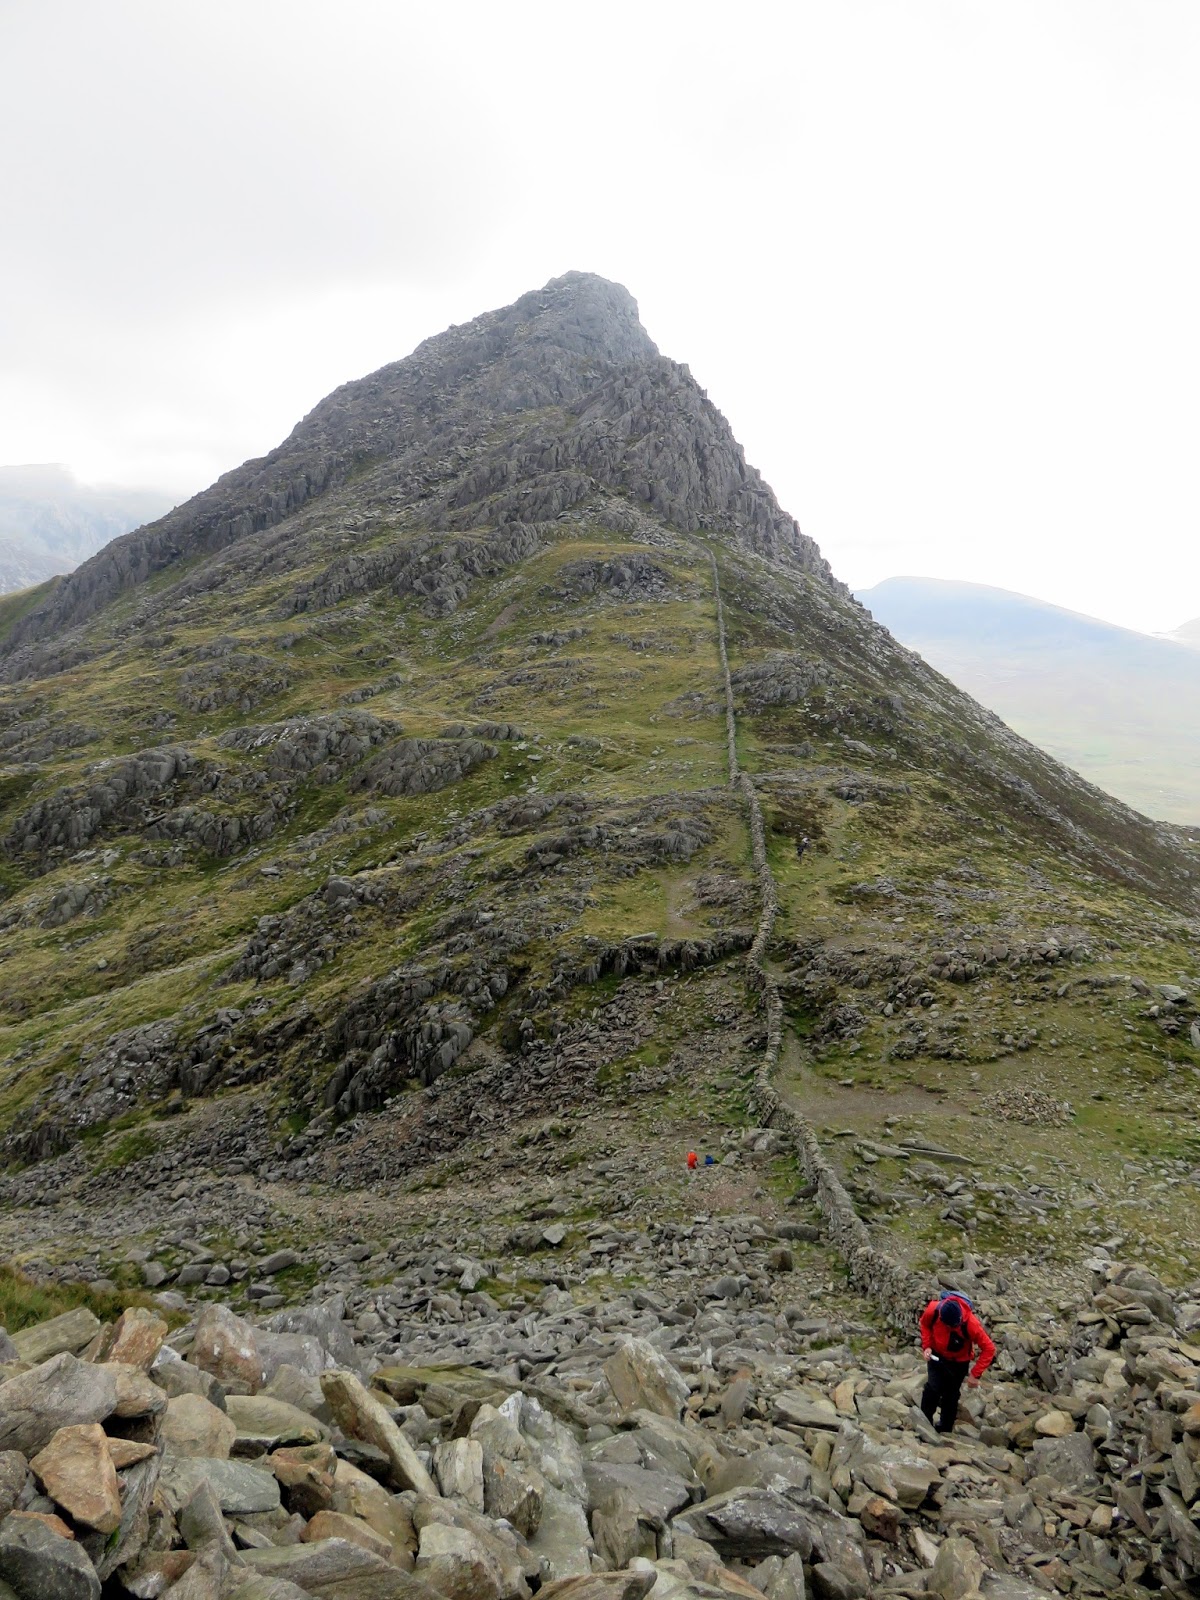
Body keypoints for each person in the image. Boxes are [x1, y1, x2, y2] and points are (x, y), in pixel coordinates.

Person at [919, 1290, 995, 1434]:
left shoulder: (971, 1324)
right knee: (932, 1389)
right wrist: (927, 1346)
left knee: (951, 1395)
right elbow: (924, 1325)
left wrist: (975, 1374)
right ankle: (924, 1422)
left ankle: (945, 1430)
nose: (950, 1328)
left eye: (954, 1326)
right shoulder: (933, 1310)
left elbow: (989, 1348)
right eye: (947, 1325)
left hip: (958, 1363)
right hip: (936, 1356)